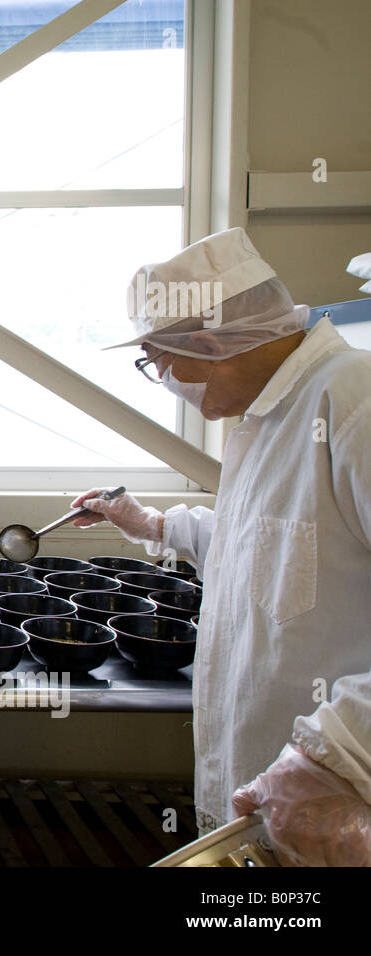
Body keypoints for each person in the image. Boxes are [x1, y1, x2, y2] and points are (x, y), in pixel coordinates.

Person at [72, 227, 371, 865]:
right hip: (268, 803)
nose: (161, 377)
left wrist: (340, 753)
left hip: (332, 808)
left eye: (156, 361)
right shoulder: (267, 416)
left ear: (207, 346)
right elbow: (273, 552)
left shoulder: (353, 405)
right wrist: (151, 524)